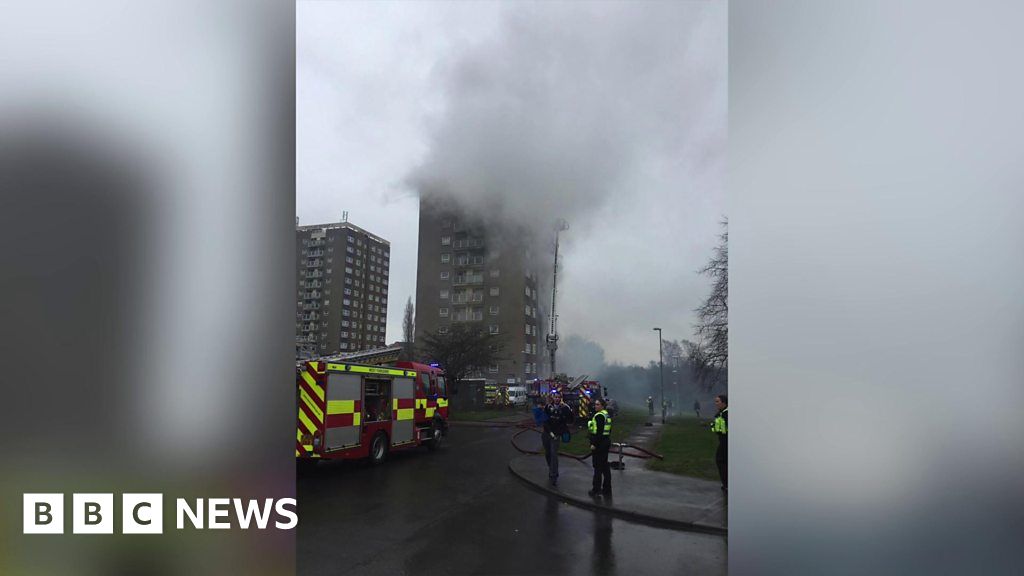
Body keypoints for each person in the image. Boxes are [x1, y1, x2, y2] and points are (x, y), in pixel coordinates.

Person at [542, 392, 574, 486]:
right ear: (553, 398)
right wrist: (549, 431)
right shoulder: (548, 407)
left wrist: (569, 410)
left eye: (558, 397)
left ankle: (553, 476)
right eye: (555, 397)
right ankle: (551, 469)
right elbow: (544, 420)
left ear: (561, 398)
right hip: (547, 433)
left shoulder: (564, 408)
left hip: (556, 435)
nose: (556, 399)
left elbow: (570, 420)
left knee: (553, 454)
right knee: (548, 454)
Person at [587, 398, 613, 497]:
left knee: (597, 467)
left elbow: (599, 432)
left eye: (597, 404)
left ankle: (596, 490)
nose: (595, 406)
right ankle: (607, 489)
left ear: (602, 406)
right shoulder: (606, 415)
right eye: (595, 404)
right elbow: (608, 431)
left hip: (599, 444)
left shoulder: (599, 416)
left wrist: (594, 444)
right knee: (605, 466)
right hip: (605, 442)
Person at [710, 394, 728, 492]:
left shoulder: (726, 414)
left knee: (721, 461)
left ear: (724, 403)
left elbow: (722, 430)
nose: (716, 404)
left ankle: (727, 484)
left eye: (718, 401)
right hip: (723, 441)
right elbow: (717, 430)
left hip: (726, 442)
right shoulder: (721, 414)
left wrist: (714, 425)